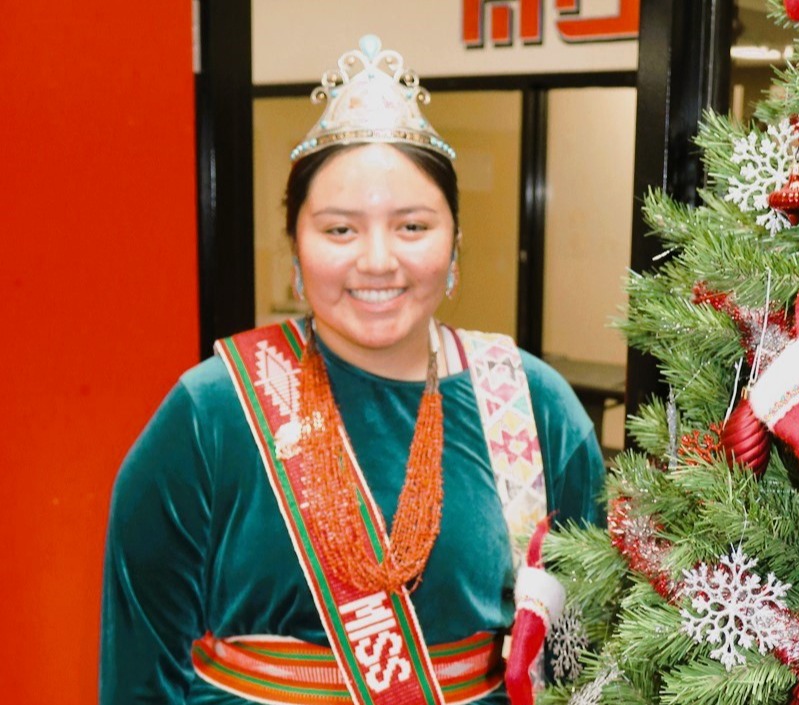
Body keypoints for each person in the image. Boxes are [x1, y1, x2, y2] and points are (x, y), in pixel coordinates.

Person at [101, 35, 606, 705]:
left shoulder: (531, 403)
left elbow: (590, 650)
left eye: (412, 226)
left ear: (454, 245)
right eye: (340, 229)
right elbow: (140, 674)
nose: (376, 260)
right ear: (295, 250)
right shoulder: (212, 412)